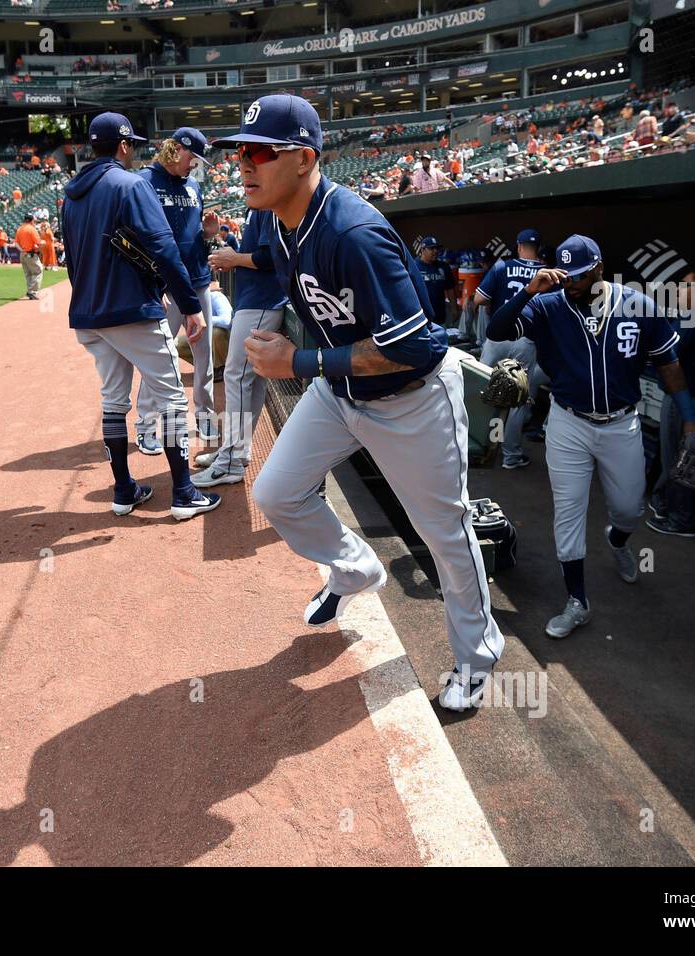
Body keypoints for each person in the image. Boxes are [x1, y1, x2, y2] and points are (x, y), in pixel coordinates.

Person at [215, 95, 504, 712]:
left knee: (445, 535)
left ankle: (478, 659)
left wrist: (296, 361)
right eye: (240, 151)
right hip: (339, 390)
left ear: (304, 159)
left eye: (260, 151)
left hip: (411, 400)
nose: (244, 163)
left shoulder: (354, 231)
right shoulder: (277, 220)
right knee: (275, 493)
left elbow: (413, 345)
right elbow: (278, 264)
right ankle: (354, 568)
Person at [485, 235, 695, 639]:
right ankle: (576, 601)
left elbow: (669, 365)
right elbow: (498, 329)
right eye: (567, 276)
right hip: (568, 422)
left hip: (622, 423)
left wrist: (690, 422)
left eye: (581, 276)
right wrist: (530, 291)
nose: (573, 284)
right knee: (568, 512)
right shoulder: (548, 303)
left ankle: (617, 541)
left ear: (600, 267)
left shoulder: (638, 304)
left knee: (629, 509)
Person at [61, 112, 221, 521]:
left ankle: (124, 490)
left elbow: (72, 261)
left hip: (88, 313)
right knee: (170, 398)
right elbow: (164, 248)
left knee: (113, 400)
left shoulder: (72, 193)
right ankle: (184, 493)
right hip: (132, 309)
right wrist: (188, 305)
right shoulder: (131, 184)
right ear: (124, 145)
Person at [135, 127, 219, 452]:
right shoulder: (144, 181)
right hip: (165, 287)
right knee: (158, 359)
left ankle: (206, 418)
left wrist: (209, 233)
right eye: (192, 158)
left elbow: (191, 235)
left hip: (197, 282)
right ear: (176, 150)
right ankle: (146, 425)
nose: (193, 166)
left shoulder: (194, 186)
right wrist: (152, 282)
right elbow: (136, 236)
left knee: (205, 356)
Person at [194, 205, 289, 488]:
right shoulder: (258, 206)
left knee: (236, 377)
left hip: (263, 301)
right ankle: (238, 451)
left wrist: (233, 258)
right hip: (256, 300)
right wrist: (228, 253)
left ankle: (230, 460)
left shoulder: (269, 205)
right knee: (251, 379)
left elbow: (271, 256)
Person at [648, 267, 695, 537]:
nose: (678, 291)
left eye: (684, 286)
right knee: (682, 460)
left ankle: (680, 521)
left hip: (687, 402)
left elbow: (668, 353)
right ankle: (665, 506)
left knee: (681, 463)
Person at [474, 228, 548, 468]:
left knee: (485, 390)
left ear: (518, 245)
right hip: (524, 340)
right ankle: (511, 456)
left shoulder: (501, 267)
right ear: (538, 248)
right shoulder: (546, 273)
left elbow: (478, 299)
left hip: (498, 335)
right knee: (516, 401)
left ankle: (477, 445)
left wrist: (498, 300)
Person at [413, 237, 457, 329]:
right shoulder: (414, 266)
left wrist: (454, 309)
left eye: (437, 248)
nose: (436, 251)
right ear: (423, 250)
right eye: (431, 248)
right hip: (420, 317)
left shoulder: (444, 267)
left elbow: (450, 289)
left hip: (440, 315)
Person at [15, 213, 42, 299]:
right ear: (32, 220)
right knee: (38, 271)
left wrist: (22, 250)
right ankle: (32, 292)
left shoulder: (20, 229)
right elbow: (39, 243)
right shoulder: (31, 229)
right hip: (31, 254)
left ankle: (30, 291)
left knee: (29, 273)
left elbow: (16, 243)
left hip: (23, 254)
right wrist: (42, 244)